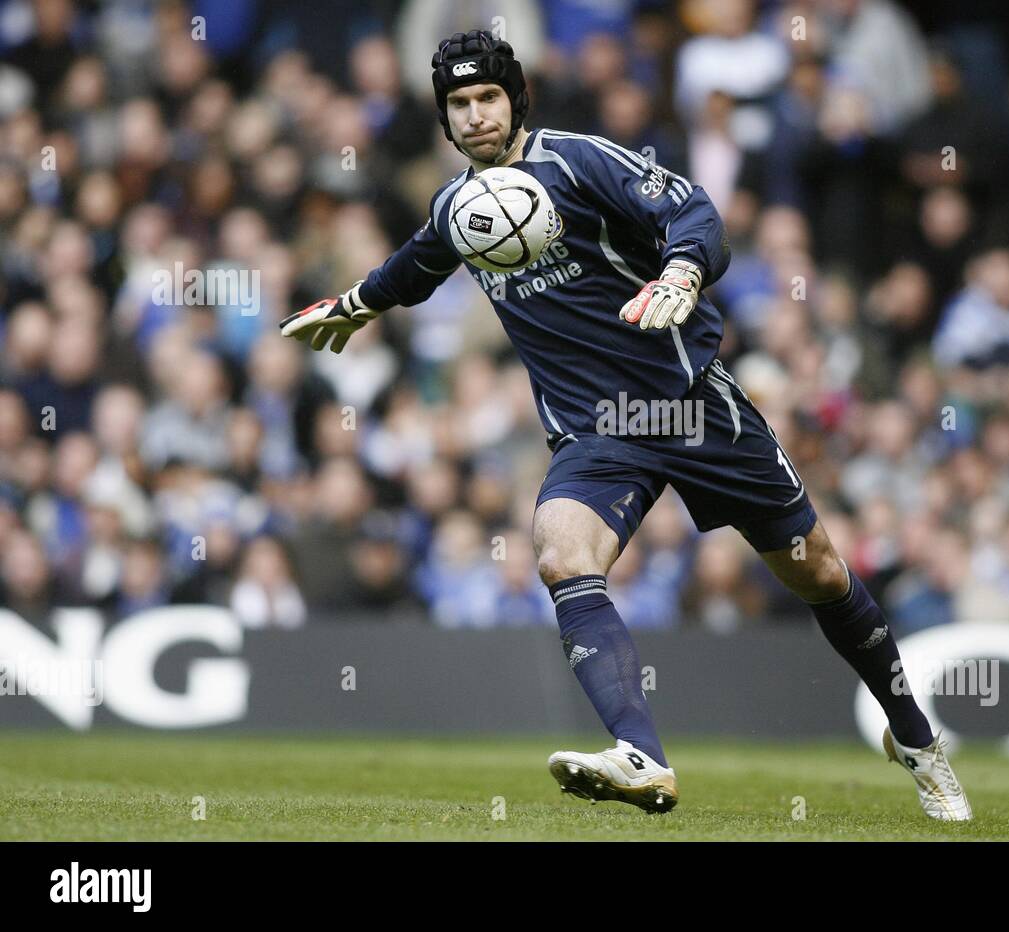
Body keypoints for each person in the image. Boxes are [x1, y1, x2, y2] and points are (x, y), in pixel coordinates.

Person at [280, 30, 971, 820]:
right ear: (444, 120)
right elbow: (418, 261)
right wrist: (357, 303)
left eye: (487, 99)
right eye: (458, 105)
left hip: (687, 402)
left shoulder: (578, 160)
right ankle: (641, 755)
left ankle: (915, 737)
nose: (474, 116)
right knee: (559, 554)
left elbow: (695, 211)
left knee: (817, 570)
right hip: (595, 430)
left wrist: (681, 268)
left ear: (516, 100)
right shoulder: (459, 207)